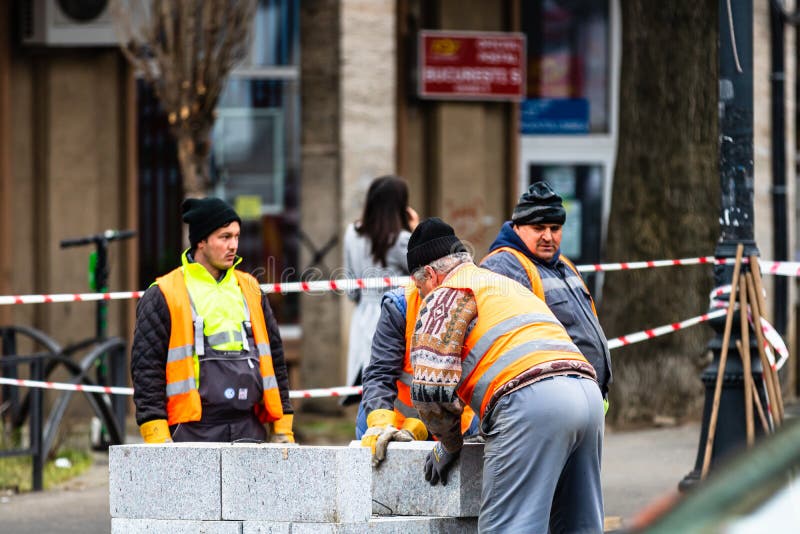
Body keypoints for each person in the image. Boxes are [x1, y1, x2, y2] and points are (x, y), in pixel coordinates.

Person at [407, 218, 604, 533]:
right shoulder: (501, 284)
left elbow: (430, 388)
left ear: (430, 274)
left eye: (419, 287)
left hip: (532, 404)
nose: (421, 295)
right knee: (576, 526)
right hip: (588, 397)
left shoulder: (446, 294)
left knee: (510, 526)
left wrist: (449, 442)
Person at [131, 197, 294, 444]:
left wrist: (283, 429)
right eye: (224, 237)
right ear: (201, 241)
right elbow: (147, 370)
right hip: (190, 431)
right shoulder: (164, 292)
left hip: (248, 427)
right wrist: (156, 436)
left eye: (237, 236)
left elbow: (275, 360)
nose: (234, 245)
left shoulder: (250, 288)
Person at [481, 181, 612, 404]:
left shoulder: (563, 264)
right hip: (551, 401)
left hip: (584, 398)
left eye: (555, 228)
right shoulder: (504, 266)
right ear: (517, 227)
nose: (548, 237)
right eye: (538, 228)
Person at [356, 281, 479, 466]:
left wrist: (423, 429)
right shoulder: (401, 305)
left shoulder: (477, 300)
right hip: (390, 425)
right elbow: (380, 373)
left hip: (457, 430)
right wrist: (380, 424)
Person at [343, 176, 418, 400]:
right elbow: (427, 271)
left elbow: (351, 290)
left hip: (363, 316)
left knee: (371, 385)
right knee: (395, 386)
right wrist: (416, 230)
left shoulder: (352, 234)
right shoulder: (402, 239)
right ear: (400, 205)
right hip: (398, 315)